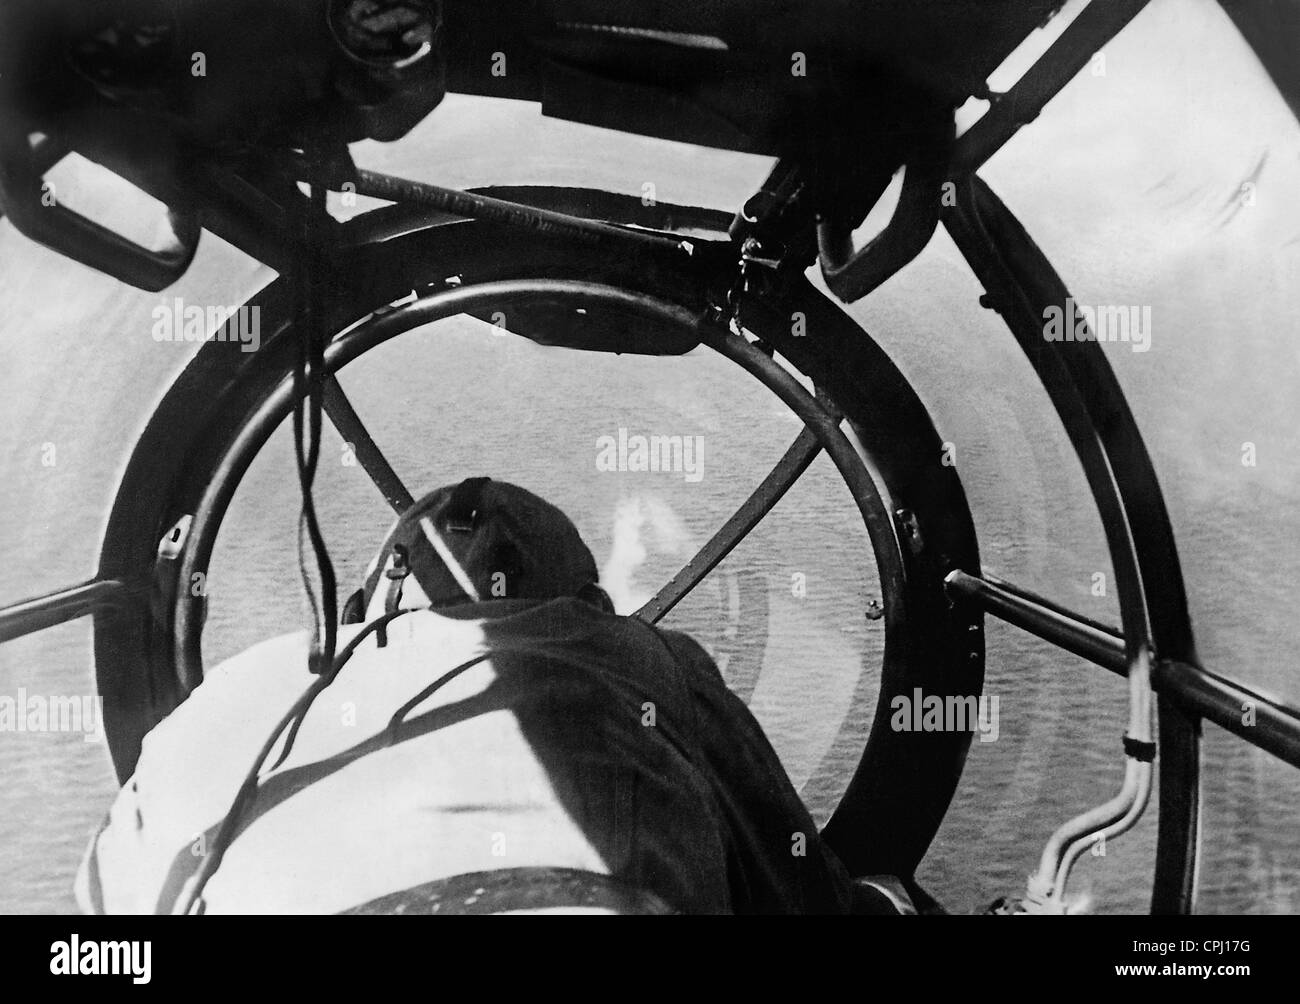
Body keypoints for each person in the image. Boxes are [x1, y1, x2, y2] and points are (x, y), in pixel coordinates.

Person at [77, 477, 907, 914]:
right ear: (578, 602)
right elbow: (803, 896)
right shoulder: (641, 660)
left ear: (369, 606)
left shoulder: (213, 708)